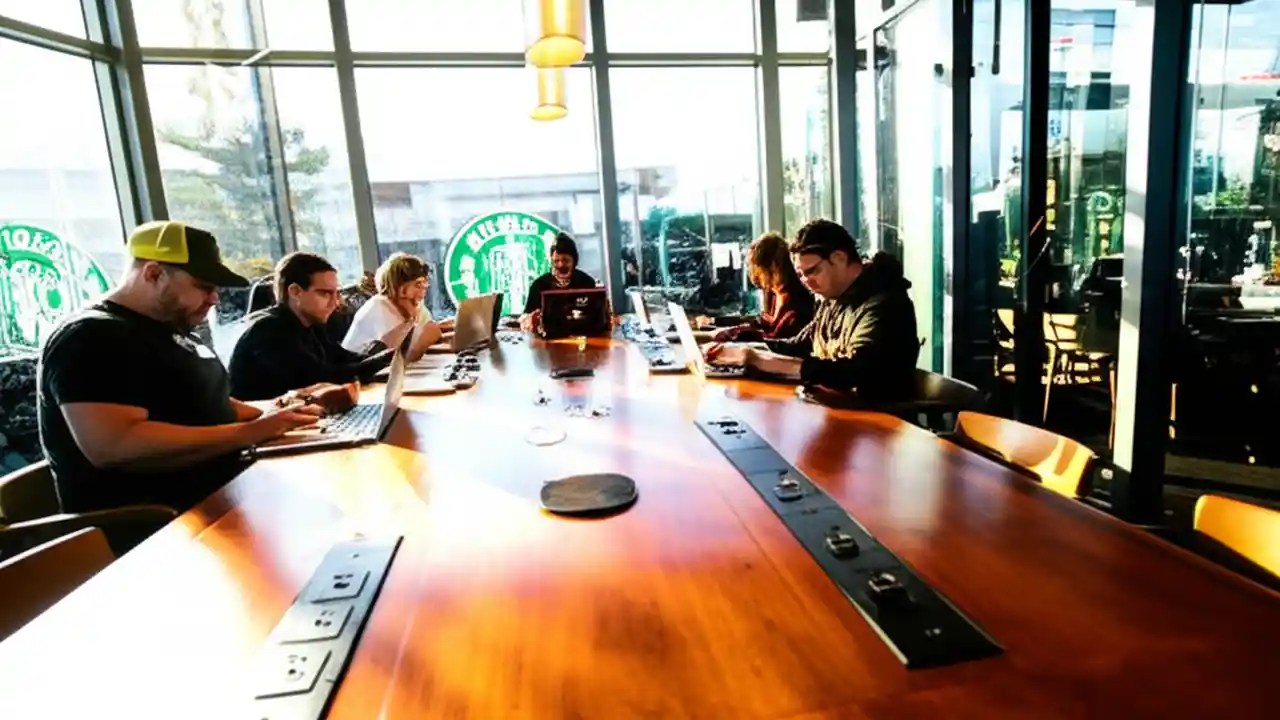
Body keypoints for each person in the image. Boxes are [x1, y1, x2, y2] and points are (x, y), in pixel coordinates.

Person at [38, 221, 324, 514]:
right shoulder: (91, 337)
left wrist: (283, 408)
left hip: (225, 491)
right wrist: (249, 432)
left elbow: (204, 403)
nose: (214, 298)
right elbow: (116, 444)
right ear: (153, 274)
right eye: (203, 287)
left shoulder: (169, 325)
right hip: (157, 520)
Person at [707, 219, 919, 399]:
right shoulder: (832, 299)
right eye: (801, 275)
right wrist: (741, 346)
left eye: (813, 271)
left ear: (839, 258)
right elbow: (796, 346)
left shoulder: (885, 303)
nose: (806, 281)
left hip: (878, 422)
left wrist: (758, 359)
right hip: (841, 413)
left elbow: (855, 371)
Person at [229, 252, 396, 401]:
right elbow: (321, 378)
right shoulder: (269, 330)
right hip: (265, 423)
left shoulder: (311, 323)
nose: (335, 302)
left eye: (336, 293)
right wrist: (388, 358)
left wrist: (391, 357)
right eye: (325, 293)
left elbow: (344, 358)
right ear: (295, 292)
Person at [341, 253, 448, 362]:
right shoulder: (377, 309)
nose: (423, 292)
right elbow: (393, 355)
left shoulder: (414, 305)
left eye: (424, 284)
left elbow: (430, 330)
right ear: (400, 288)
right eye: (418, 285)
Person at [713, 231, 816, 342]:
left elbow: (778, 340)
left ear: (773, 266)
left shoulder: (797, 304)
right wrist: (717, 323)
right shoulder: (773, 293)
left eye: (756, 267)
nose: (753, 273)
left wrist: (732, 334)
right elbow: (760, 322)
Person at [521, 232, 598, 331]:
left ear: (574, 261)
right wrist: (528, 320)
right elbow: (525, 318)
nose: (561, 265)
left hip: (582, 335)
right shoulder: (539, 285)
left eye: (565, 260)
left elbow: (598, 316)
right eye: (556, 261)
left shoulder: (586, 282)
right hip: (546, 338)